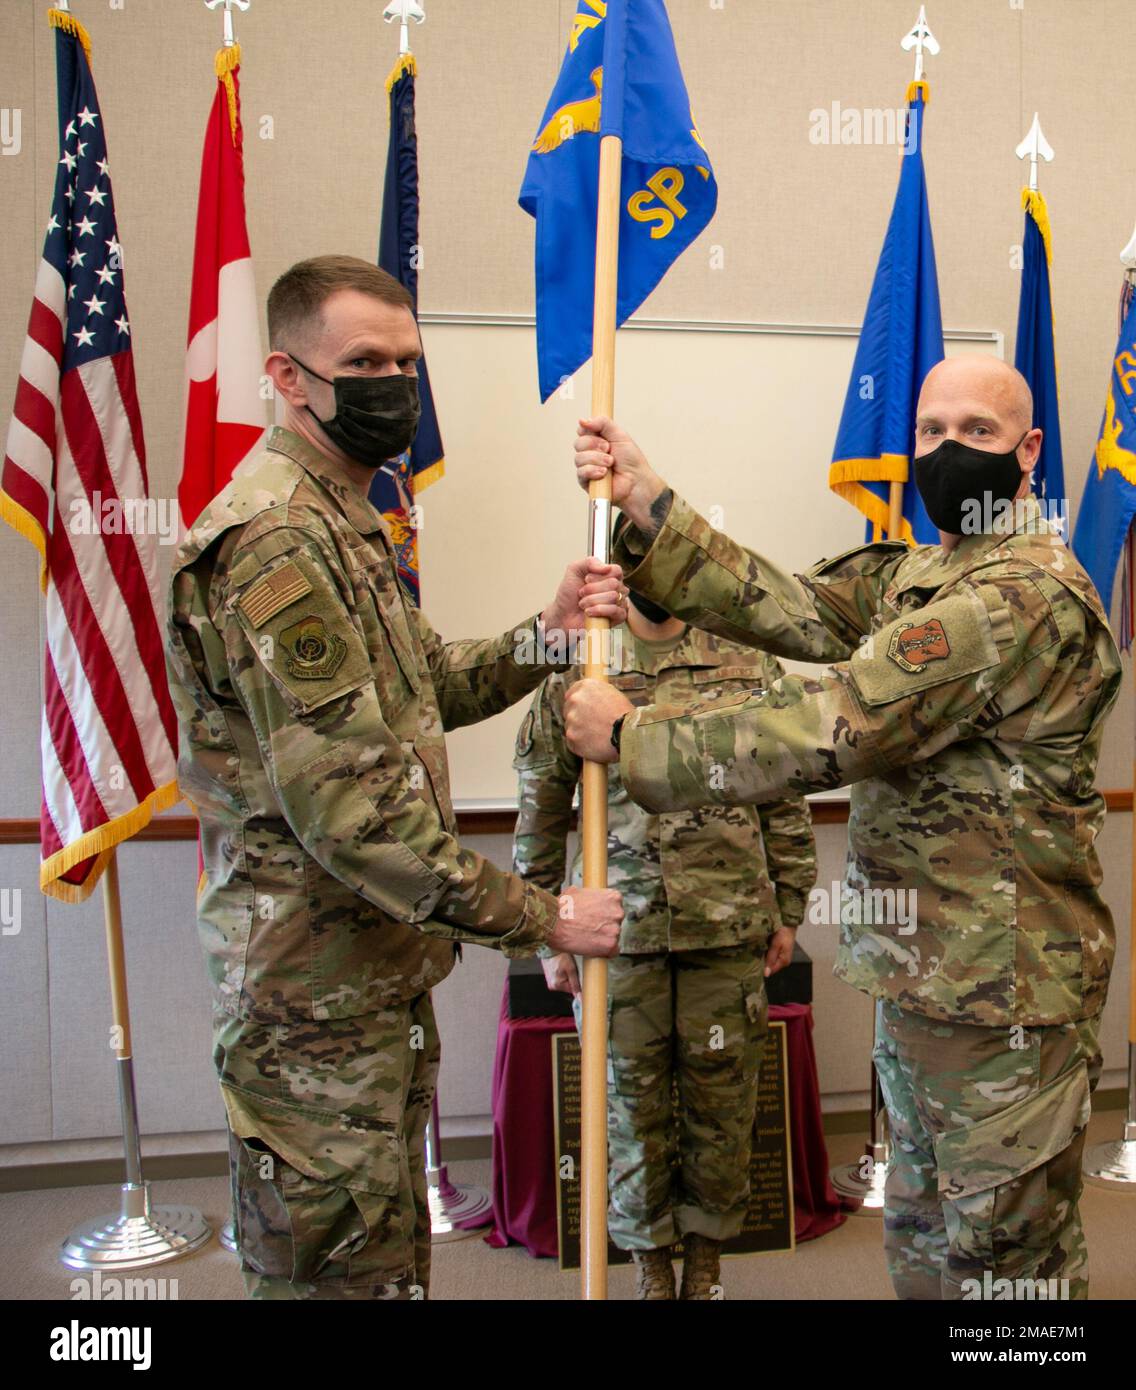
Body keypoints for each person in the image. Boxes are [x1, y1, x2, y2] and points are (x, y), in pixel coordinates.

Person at [562, 355, 1121, 1301]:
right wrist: (654, 502)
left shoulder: (1017, 595)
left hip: (1004, 995)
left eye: (976, 433)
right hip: (927, 976)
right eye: (932, 431)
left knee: (1005, 1268)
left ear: (1028, 452)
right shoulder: (928, 569)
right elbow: (795, 605)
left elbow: (841, 723)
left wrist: (633, 737)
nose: (949, 451)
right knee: (924, 1237)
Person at [165, 254, 626, 1300]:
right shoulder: (274, 541)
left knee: (379, 1265)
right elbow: (353, 821)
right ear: (286, 376)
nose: (393, 384)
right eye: (362, 361)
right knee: (335, 1275)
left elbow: (424, 686)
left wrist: (547, 634)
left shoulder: (344, 520)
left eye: (407, 361)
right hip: (309, 1002)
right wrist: (542, 915)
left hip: (368, 978)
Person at [514, 591, 816, 1298]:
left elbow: (785, 788)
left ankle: (705, 1267)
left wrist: (791, 907)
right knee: (628, 1113)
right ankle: (651, 1270)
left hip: (729, 924)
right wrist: (542, 924)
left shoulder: (746, 665)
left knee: (723, 1111)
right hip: (617, 935)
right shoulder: (584, 666)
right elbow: (541, 800)